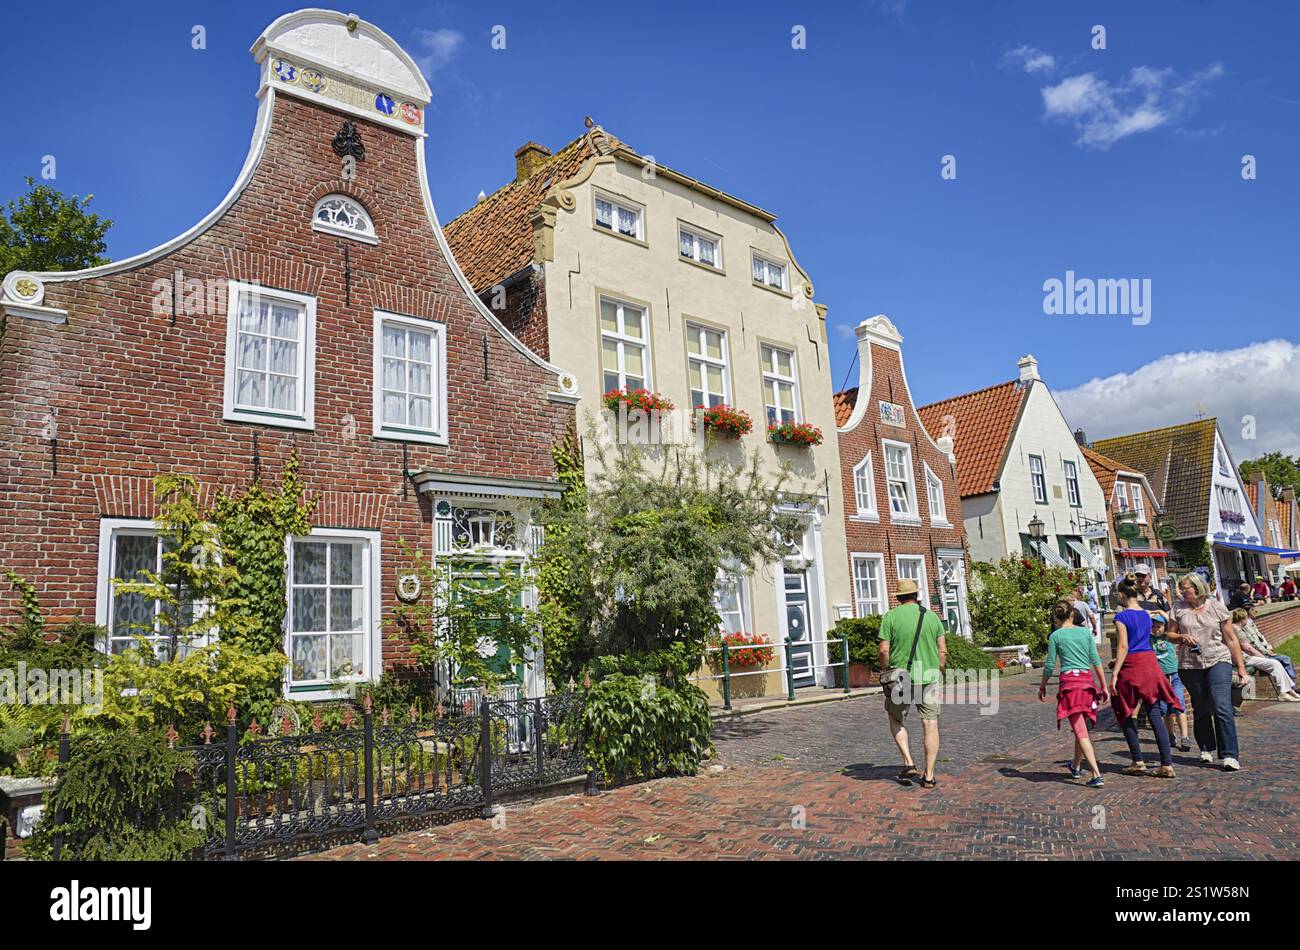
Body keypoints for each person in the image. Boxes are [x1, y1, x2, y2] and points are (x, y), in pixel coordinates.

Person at [1171, 572, 1250, 771]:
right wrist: (1181, 637)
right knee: (1200, 707)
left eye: (1185, 588)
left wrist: (1240, 667)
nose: (1181, 591)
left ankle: (1230, 755)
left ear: (1197, 588)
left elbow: (1231, 639)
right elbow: (1169, 634)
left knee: (1221, 705)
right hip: (1190, 664)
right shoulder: (1178, 608)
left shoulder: (1216, 607)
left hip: (1218, 659)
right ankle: (1206, 748)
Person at [878, 578, 947, 788]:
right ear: (917, 596)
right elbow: (942, 650)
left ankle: (908, 761)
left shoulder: (890, 617)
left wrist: (885, 670)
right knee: (930, 723)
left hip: (901, 678)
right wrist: (939, 670)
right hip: (929, 676)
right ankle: (929, 775)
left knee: (895, 717)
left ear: (898, 597)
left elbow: (883, 650)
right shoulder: (932, 617)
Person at [1111, 581, 1183, 777]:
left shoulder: (1121, 617)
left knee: (1125, 711)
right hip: (1149, 663)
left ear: (1121, 595)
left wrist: (1115, 672)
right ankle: (1166, 764)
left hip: (1132, 665)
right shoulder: (1145, 614)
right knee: (1153, 713)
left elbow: (1123, 646)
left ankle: (1137, 760)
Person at [1038, 599, 1109, 787]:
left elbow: (1050, 664)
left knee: (1080, 731)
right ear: (1072, 614)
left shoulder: (1056, 636)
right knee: (1081, 727)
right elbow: (1096, 660)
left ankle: (1096, 774)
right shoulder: (1085, 633)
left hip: (1070, 685)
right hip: (1087, 683)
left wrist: (1043, 685)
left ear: (1056, 617)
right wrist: (1104, 685)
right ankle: (1075, 766)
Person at [1233, 608, 1300, 701]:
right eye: (1246, 618)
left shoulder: (1236, 628)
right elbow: (1248, 648)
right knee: (1274, 663)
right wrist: (1264, 657)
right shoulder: (1238, 630)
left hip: (1244, 657)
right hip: (1244, 658)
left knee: (1276, 663)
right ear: (1242, 619)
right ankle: (1284, 693)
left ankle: (1290, 691)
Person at [1150, 615, 1191, 751]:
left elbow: (1173, 621)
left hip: (1174, 676)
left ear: (1165, 627)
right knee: (1165, 709)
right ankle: (1170, 735)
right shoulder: (1149, 639)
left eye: (1159, 626)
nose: (1156, 629)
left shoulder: (1169, 637)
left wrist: (1160, 612)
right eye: (1154, 626)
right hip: (1159, 678)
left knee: (1180, 705)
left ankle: (1185, 737)